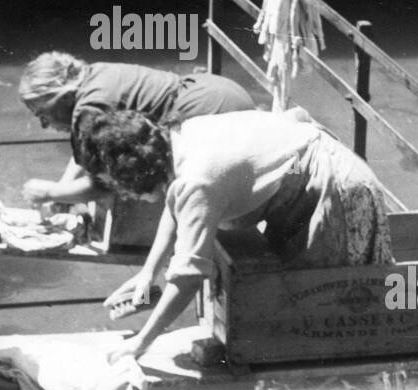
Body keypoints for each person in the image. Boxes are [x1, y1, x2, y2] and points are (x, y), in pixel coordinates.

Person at [80, 108, 395, 361]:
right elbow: (175, 203)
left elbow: (188, 277)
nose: (128, 196)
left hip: (336, 184)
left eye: (122, 186)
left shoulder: (197, 179)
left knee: (333, 307)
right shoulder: (182, 137)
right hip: (305, 172)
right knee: (307, 300)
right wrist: (148, 273)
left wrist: (141, 343)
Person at [18, 51, 255, 206]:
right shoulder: (95, 73)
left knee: (173, 186)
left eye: (42, 114)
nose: (44, 124)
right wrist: (63, 189)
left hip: (205, 112)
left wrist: (50, 194)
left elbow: (103, 184)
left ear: (60, 97)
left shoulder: (88, 110)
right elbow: (86, 153)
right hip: (222, 90)